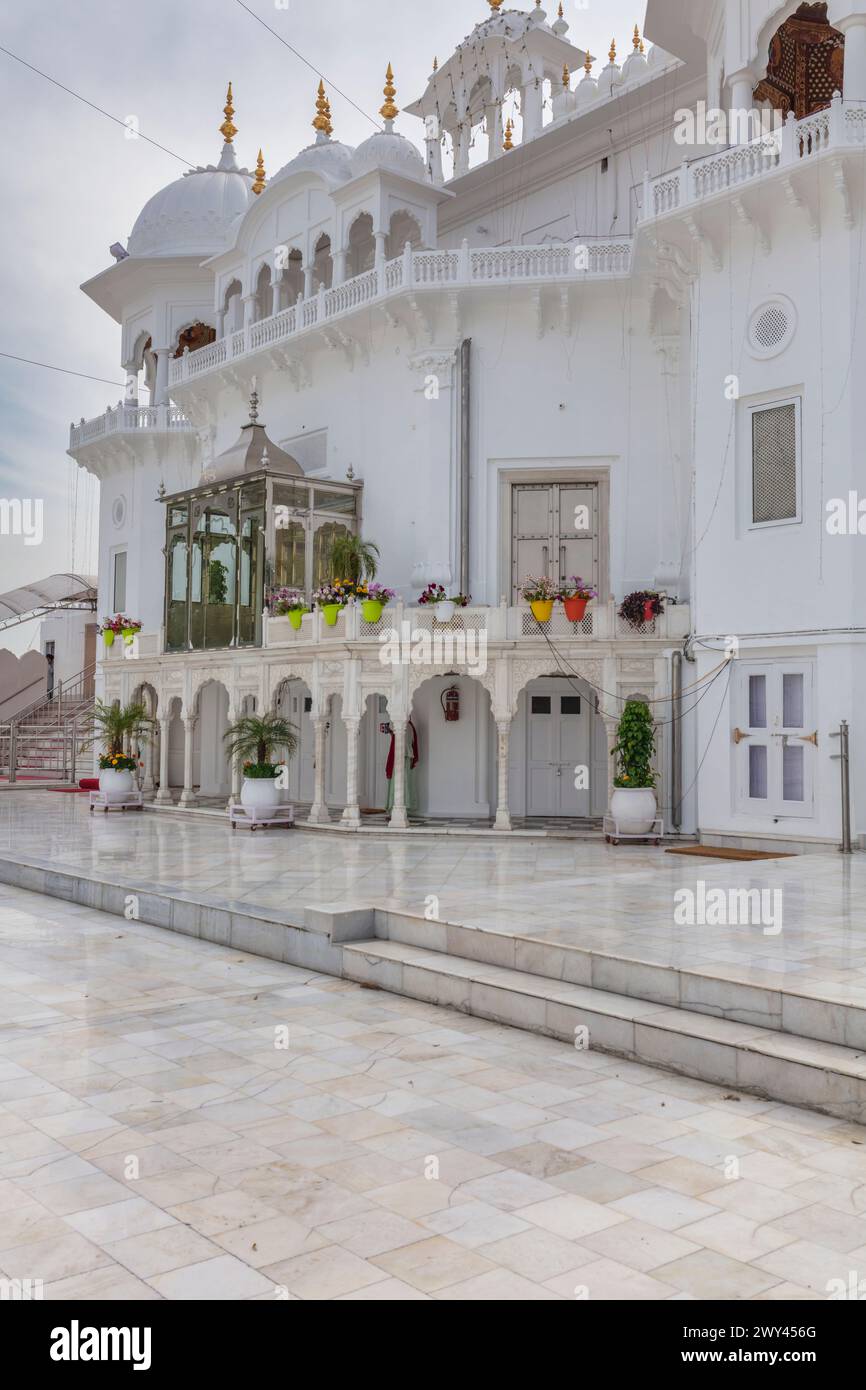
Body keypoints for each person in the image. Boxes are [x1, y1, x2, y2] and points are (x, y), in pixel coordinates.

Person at [385, 719, 419, 816]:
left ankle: (397, 812)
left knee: (398, 784)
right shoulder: (409, 726)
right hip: (405, 758)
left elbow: (403, 744)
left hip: (401, 758)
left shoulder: (405, 727)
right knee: (404, 783)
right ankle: (401, 810)